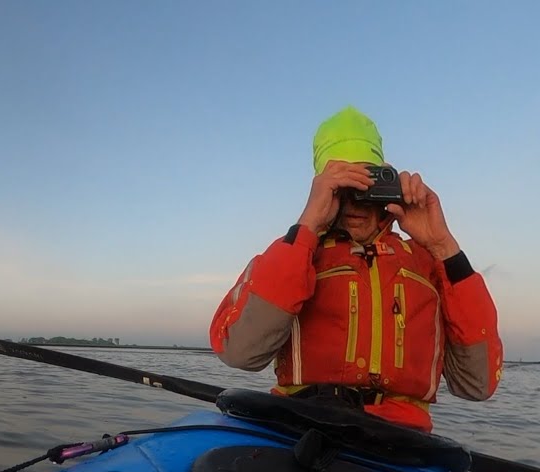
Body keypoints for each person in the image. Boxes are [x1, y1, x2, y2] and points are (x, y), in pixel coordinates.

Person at [209, 106, 503, 432]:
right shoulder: (293, 254)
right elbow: (240, 353)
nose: (355, 202)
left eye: (366, 185)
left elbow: (477, 384)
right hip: (299, 425)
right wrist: (307, 226)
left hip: (398, 440)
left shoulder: (429, 263)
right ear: (323, 189)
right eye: (343, 188)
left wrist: (443, 246)